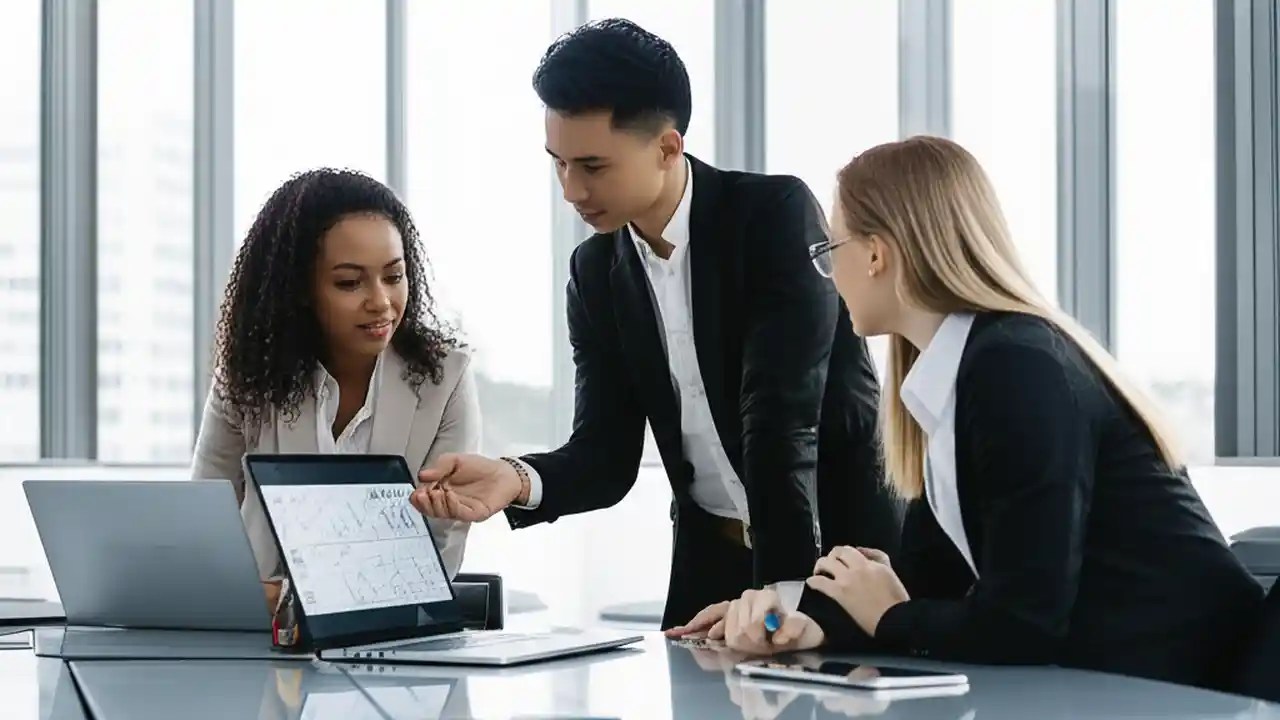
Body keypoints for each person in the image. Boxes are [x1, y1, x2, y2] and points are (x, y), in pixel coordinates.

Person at [697, 136, 1264, 690]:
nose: (830, 274)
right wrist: (800, 621)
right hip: (1122, 681)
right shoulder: (952, 379)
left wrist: (889, 618)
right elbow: (930, 583)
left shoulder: (1015, 370)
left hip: (1199, 689)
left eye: (830, 251)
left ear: (875, 254)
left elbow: (1022, 622)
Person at [411, 18, 901, 630]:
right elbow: (606, 455)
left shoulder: (772, 216)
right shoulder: (595, 272)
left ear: (667, 148)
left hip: (841, 564)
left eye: (592, 166)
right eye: (558, 164)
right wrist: (514, 478)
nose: (571, 190)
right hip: (710, 567)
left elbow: (781, 422)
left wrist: (779, 600)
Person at [191, 168, 479, 610]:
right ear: (299, 290)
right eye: (349, 282)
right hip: (251, 633)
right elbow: (205, 530)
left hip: (389, 637)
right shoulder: (247, 376)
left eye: (394, 276)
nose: (381, 302)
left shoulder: (446, 378)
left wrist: (284, 600)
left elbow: (437, 554)